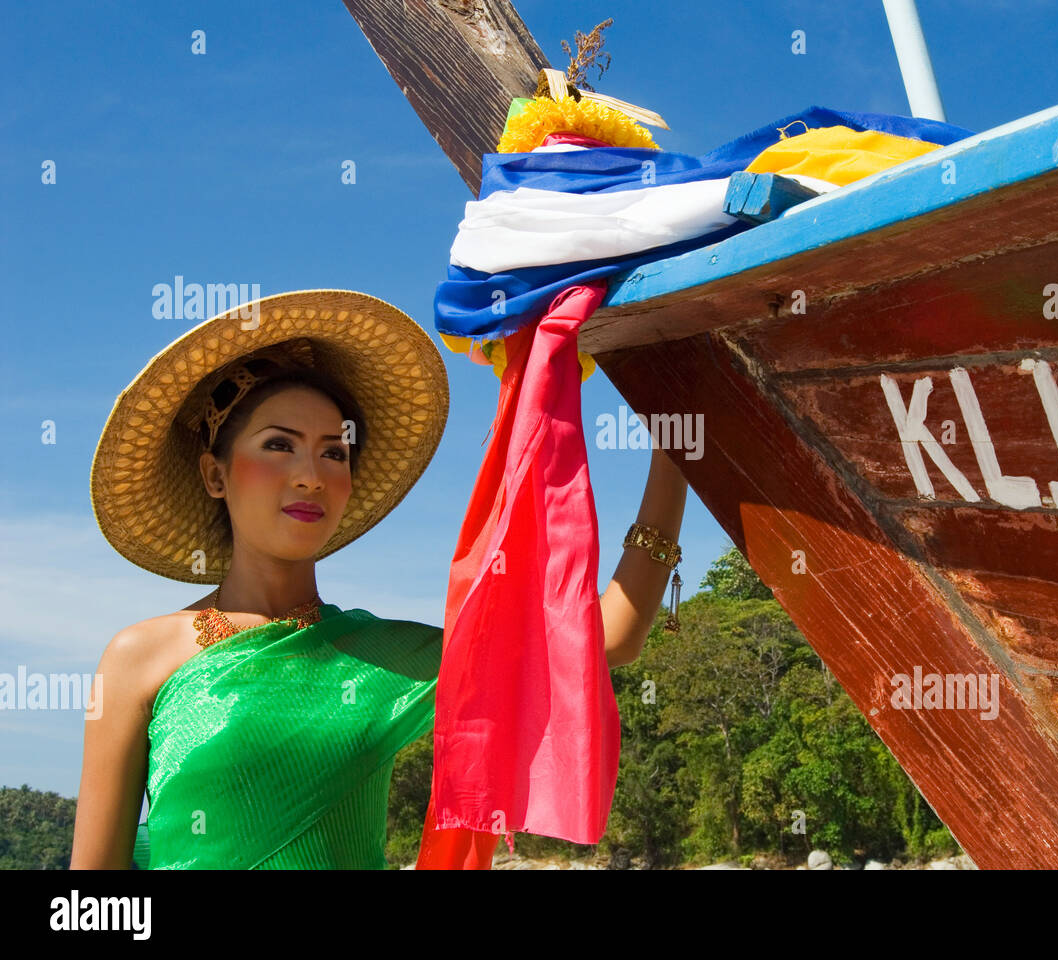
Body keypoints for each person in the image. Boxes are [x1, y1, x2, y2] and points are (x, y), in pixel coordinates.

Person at [70, 288, 687, 869]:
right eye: (279, 446)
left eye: (333, 452)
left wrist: (676, 454)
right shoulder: (138, 659)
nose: (311, 474)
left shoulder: (387, 657)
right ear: (215, 475)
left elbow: (607, 638)